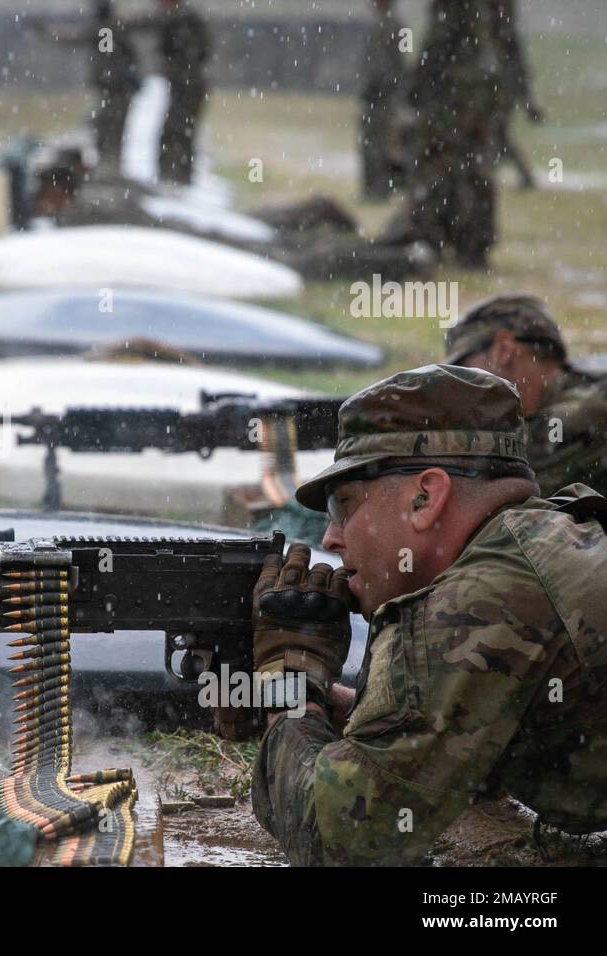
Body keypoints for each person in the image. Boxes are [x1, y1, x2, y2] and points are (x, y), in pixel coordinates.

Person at [249, 364, 607, 865]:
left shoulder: (482, 601)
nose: (331, 539)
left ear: (425, 497)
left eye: (343, 507)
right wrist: (363, 717)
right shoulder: (544, 545)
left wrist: (288, 682)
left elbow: (342, 842)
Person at [445, 294, 607, 496]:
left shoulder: (577, 415)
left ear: (504, 350)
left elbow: (495, 496)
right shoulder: (580, 389)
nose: (460, 384)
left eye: (462, 368)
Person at [380, 0, 500, 269]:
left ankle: (431, 238)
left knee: (436, 162)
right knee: (473, 166)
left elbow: (439, 43)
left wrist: (415, 86)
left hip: (455, 92)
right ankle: (473, 245)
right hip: (479, 89)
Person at [33, 3, 140, 170]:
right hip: (117, 89)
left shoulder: (107, 31)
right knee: (110, 129)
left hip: (115, 89)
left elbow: (82, 41)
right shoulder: (114, 30)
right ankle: (111, 166)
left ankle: (109, 166)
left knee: (109, 130)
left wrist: (49, 32)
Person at [131, 0, 210, 186]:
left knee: (177, 131)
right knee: (179, 131)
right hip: (185, 83)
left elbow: (197, 51)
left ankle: (174, 178)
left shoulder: (182, 19)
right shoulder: (182, 18)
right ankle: (175, 176)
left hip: (187, 84)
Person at [489, 0, 543, 190]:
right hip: (493, 94)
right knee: (495, 136)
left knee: (496, 135)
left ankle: (523, 175)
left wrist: (528, 103)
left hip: (499, 95)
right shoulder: (496, 34)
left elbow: (518, 71)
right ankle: (522, 174)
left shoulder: (503, 37)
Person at [358, 0, 408, 201]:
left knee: (376, 143)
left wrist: (380, 87)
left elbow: (395, 62)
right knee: (375, 142)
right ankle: (375, 188)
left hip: (382, 95)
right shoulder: (389, 26)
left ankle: (377, 189)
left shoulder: (391, 27)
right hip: (381, 93)